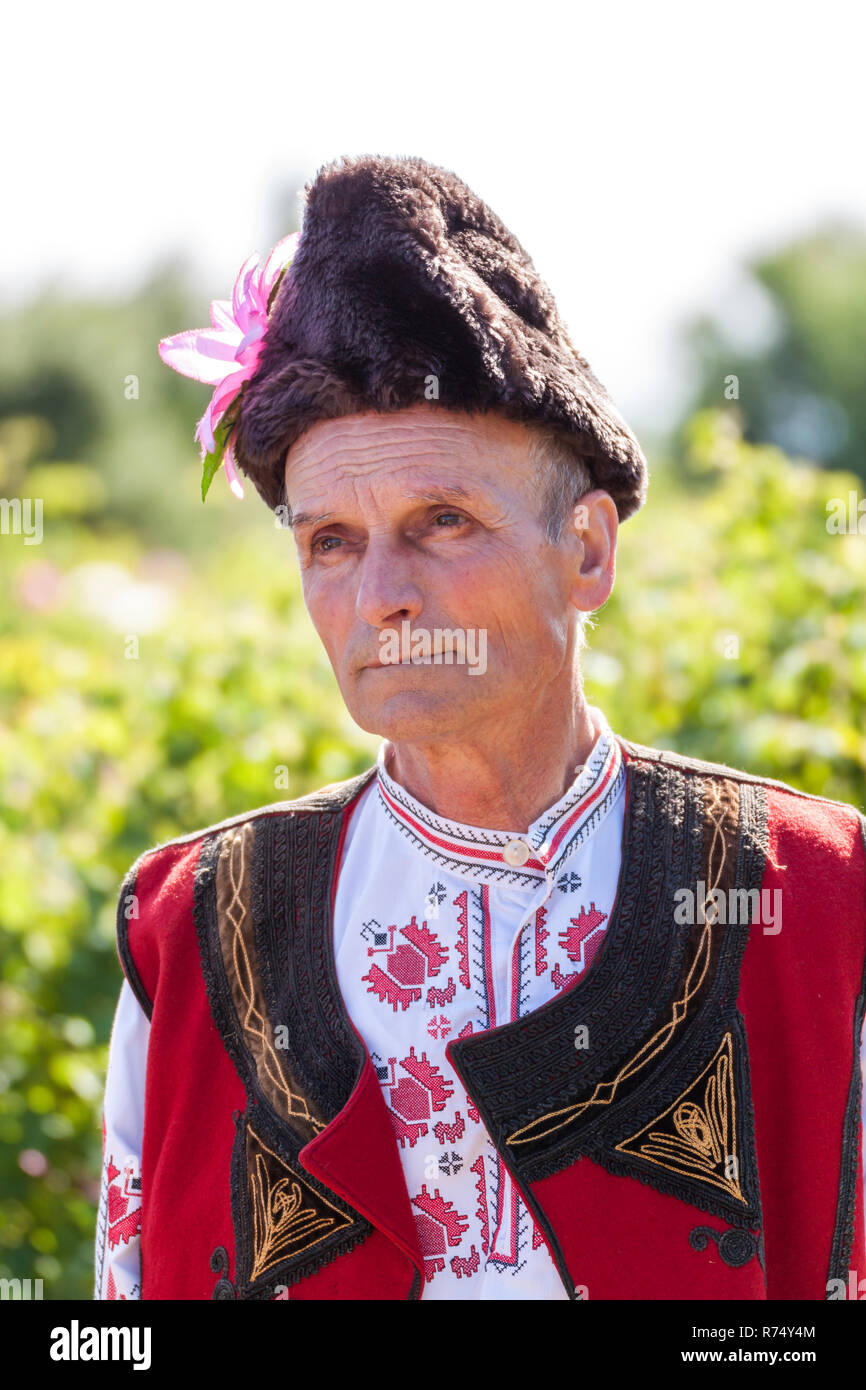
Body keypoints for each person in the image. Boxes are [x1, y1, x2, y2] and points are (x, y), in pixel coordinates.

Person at [95, 154, 866, 1301]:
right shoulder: (190, 932)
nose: (380, 597)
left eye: (440, 520)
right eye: (331, 542)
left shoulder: (814, 899)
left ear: (588, 550)